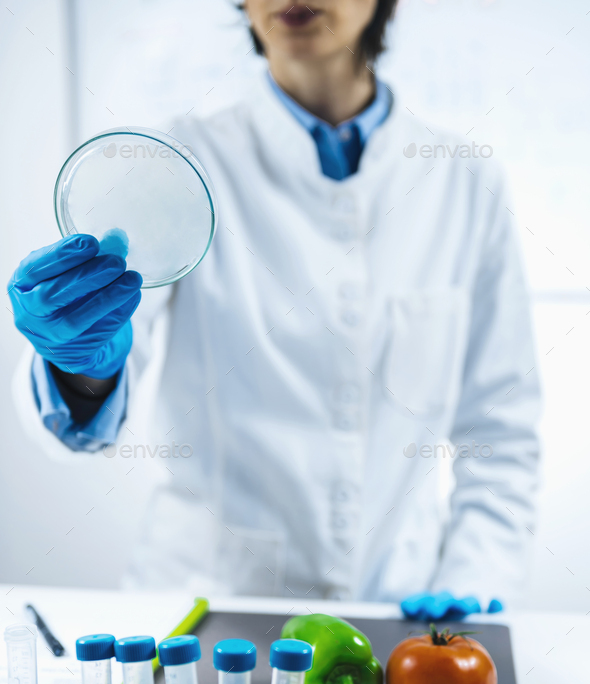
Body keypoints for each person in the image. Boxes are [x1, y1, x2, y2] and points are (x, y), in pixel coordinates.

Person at [8, 0, 540, 618]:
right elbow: (110, 347)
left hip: (397, 616)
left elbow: (501, 427)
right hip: (204, 613)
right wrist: (77, 368)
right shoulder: (173, 162)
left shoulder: (464, 182)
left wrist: (477, 579)